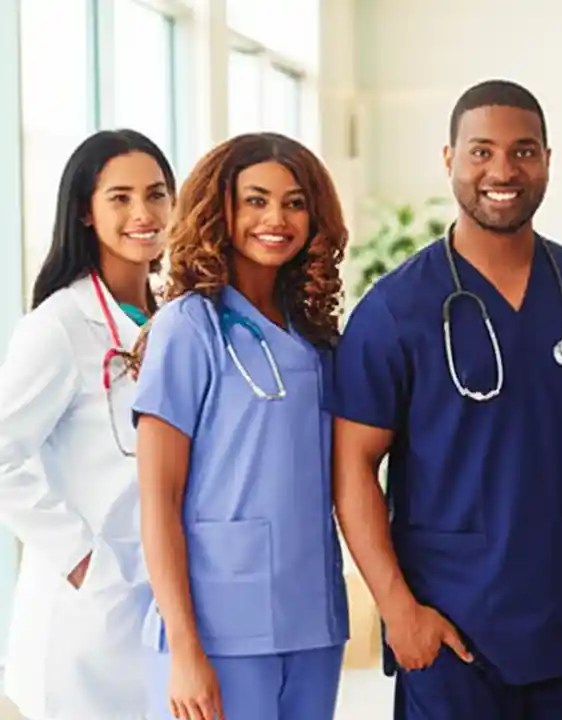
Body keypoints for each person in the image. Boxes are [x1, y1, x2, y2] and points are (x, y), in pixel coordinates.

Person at [329, 79, 562, 719]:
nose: (502, 170)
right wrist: (397, 611)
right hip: (450, 638)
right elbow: (352, 466)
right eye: (481, 151)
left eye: (523, 152)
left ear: (548, 159)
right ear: (449, 160)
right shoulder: (395, 309)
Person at [131, 132, 351, 720]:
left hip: (313, 625)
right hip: (219, 630)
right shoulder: (189, 327)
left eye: (295, 202)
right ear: (219, 208)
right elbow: (157, 497)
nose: (276, 218)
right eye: (255, 200)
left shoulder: (318, 340)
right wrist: (184, 649)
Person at [0, 129, 174, 720]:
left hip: (160, 596)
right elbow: (3, 456)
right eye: (120, 198)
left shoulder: (175, 319)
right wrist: (83, 562)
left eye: (156, 194)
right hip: (88, 606)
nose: (143, 214)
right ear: (84, 212)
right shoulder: (59, 324)